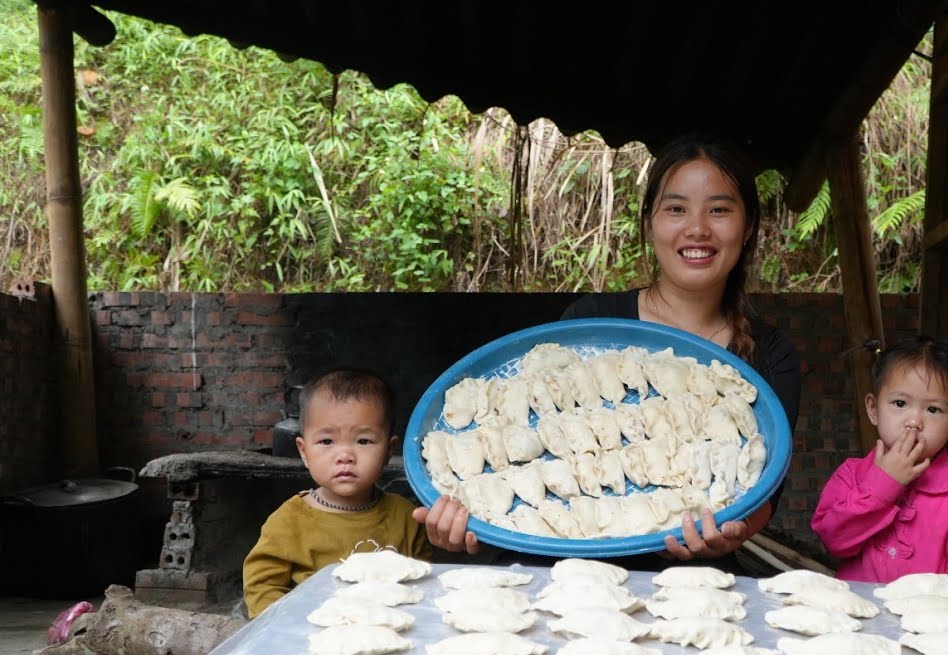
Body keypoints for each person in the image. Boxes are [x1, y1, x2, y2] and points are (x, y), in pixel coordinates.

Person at [416, 133, 800, 569]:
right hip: (575, 572)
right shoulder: (592, 323)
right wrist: (474, 525)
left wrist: (732, 533)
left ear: (748, 226)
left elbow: (767, 490)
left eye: (719, 210)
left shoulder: (770, 354)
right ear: (649, 222)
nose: (697, 228)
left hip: (692, 580)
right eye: (676, 209)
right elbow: (547, 445)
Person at [810, 335, 948, 589]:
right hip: (855, 623)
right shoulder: (851, 475)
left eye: (933, 410)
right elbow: (833, 541)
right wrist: (883, 485)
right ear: (873, 409)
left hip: (927, 623)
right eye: (900, 403)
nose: (914, 421)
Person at [243, 368, 429, 618]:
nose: (345, 456)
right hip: (315, 640)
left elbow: (427, 580)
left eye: (363, 441)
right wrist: (288, 626)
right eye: (327, 442)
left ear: (388, 450)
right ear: (304, 451)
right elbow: (261, 587)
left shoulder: (407, 517)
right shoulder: (289, 522)